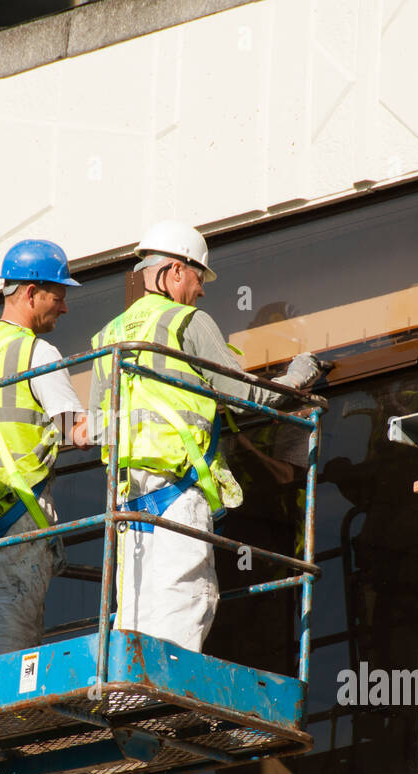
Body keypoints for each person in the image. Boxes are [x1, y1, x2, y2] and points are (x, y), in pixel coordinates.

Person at [88, 220, 322, 654]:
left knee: (137, 609)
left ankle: (130, 697)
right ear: (176, 271)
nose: (202, 291)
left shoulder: (108, 337)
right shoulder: (187, 322)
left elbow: (99, 426)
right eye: (198, 278)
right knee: (187, 597)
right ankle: (167, 699)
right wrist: (295, 381)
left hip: (128, 501)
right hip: (177, 490)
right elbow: (242, 396)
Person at [0, 239, 91, 662]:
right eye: (58, 296)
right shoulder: (36, 351)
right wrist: (133, 423)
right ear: (31, 292)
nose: (64, 308)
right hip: (17, 523)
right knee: (11, 655)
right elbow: (75, 431)